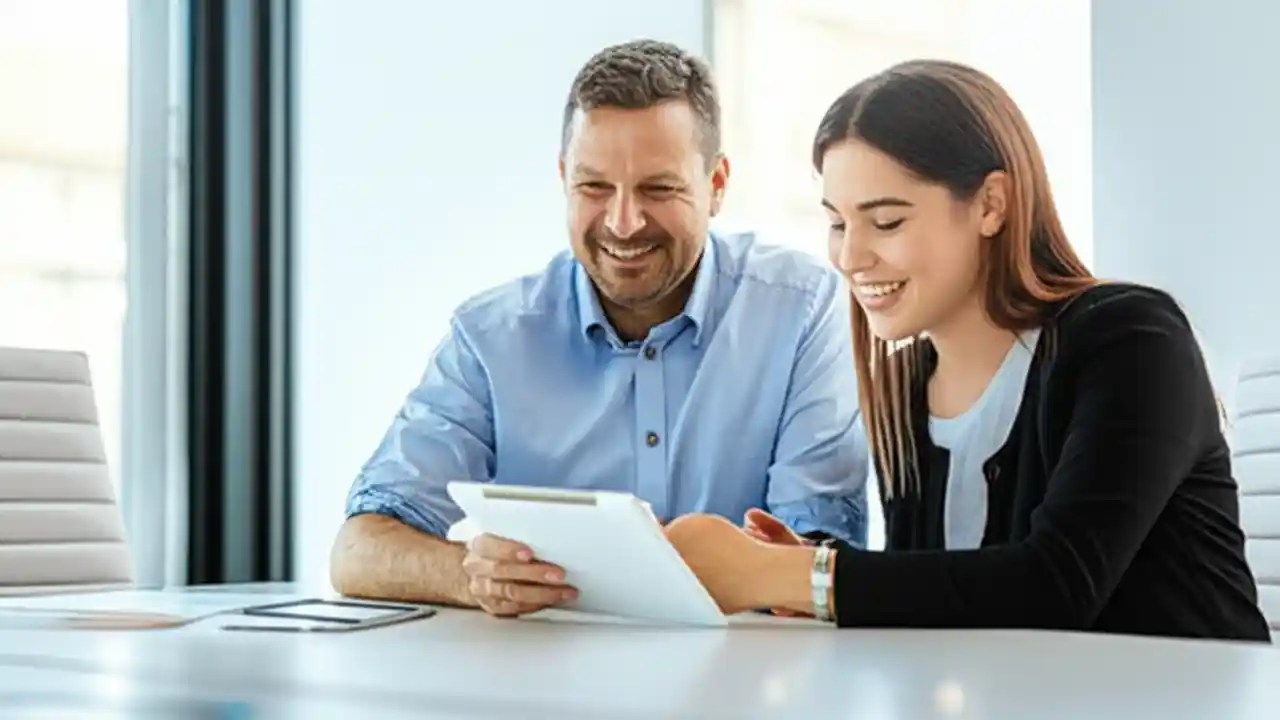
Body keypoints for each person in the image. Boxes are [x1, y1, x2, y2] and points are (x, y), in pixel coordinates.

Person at [664, 59, 1272, 642]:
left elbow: (1056, 586)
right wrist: (808, 570)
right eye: (839, 224)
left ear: (990, 204)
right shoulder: (906, 382)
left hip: (1181, 696)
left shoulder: (1131, 339)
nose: (850, 257)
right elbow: (948, 599)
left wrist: (799, 577)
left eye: (887, 222)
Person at [329, 39, 869, 618]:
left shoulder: (802, 310)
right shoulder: (491, 338)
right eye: (594, 187)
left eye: (658, 189)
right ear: (564, 176)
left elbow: (819, 548)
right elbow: (357, 551)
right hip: (551, 672)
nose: (623, 222)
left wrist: (785, 569)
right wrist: (472, 576)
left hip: (745, 670)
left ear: (716, 185)